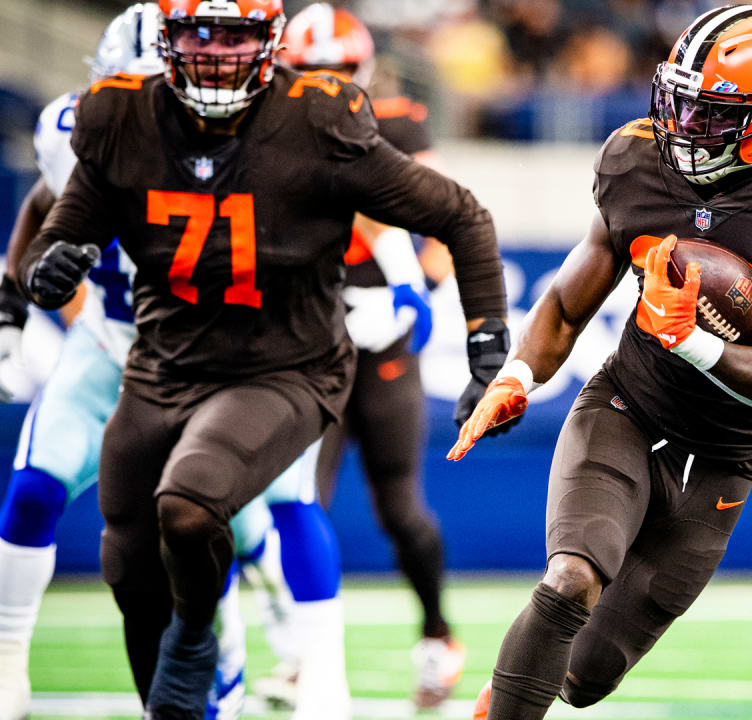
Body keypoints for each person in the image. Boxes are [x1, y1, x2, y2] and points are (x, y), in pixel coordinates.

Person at [14, 0, 508, 717]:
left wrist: (487, 341)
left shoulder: (317, 118)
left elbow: (458, 214)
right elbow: (67, 220)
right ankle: (173, 703)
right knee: (127, 559)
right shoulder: (118, 116)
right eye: (196, 34)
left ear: (270, 43)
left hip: (283, 366)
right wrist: (51, 263)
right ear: (165, 42)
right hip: (160, 365)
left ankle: (200, 637)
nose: (215, 53)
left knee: (187, 504)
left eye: (236, 35)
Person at [450, 7, 752, 719]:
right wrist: (517, 377)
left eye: (712, 114)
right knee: (568, 582)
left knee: (587, 676)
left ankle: (517, 683)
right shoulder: (637, 158)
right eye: (679, 103)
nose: (684, 128)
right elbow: (565, 304)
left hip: (721, 455)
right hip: (625, 406)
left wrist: (695, 341)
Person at [276, 4, 465, 708]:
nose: (325, 85)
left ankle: (438, 635)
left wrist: (420, 293)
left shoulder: (398, 124)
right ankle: (303, 649)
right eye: (313, 70)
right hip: (307, 338)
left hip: (381, 333)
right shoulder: (265, 132)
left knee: (399, 506)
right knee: (297, 499)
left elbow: (447, 223)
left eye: (336, 71)